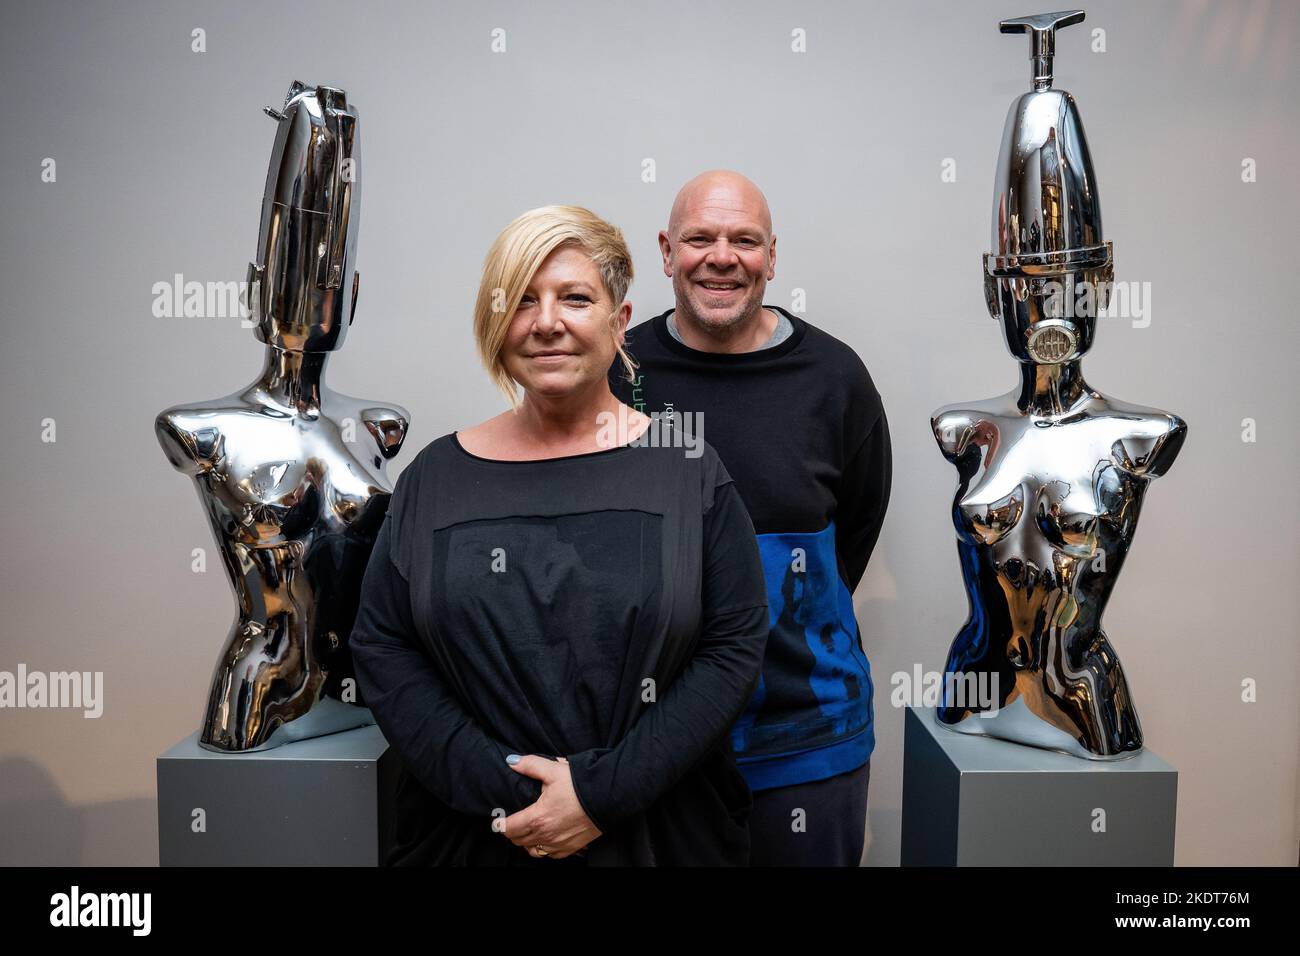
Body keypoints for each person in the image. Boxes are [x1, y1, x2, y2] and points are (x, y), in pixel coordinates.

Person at [349, 205, 769, 865]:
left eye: (575, 298)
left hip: (660, 836)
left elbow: (733, 648)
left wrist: (601, 794)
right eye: (522, 301)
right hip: (473, 837)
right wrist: (513, 794)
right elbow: (383, 648)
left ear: (619, 321)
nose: (547, 323)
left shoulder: (687, 470)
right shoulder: (435, 477)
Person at [610, 171, 892, 866]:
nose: (722, 256)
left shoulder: (834, 378)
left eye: (745, 240)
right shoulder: (616, 375)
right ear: (666, 251)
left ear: (772, 255)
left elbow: (854, 531)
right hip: (650, 742)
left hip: (807, 740)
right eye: (700, 238)